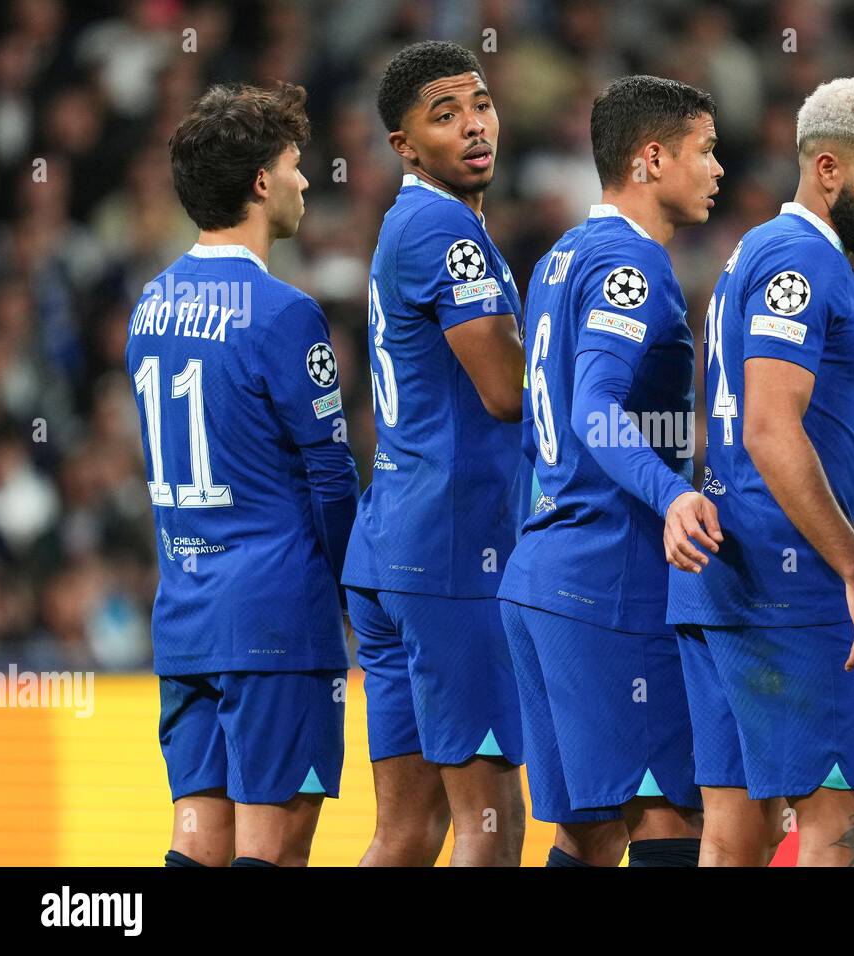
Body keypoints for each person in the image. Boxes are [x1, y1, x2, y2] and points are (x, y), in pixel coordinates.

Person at [667, 75, 854, 866]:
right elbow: (773, 431)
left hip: (727, 576)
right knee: (844, 827)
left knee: (736, 838)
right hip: (788, 581)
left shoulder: (755, 251)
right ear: (828, 170)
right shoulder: (799, 261)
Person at [128, 82, 359, 867]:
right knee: (272, 855)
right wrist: (349, 588)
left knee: (198, 842)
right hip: (275, 618)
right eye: (295, 165)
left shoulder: (148, 307)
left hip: (186, 613)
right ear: (261, 182)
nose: (303, 181)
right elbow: (332, 477)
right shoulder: (283, 312)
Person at [498, 75, 724, 867]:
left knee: (589, 835)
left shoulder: (559, 258)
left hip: (540, 576)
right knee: (668, 816)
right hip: (611, 579)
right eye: (705, 151)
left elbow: (544, 423)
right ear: (652, 159)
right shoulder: (636, 266)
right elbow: (595, 406)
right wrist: (672, 495)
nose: (718, 169)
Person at [341, 41, 527, 867]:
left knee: (409, 831)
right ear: (404, 146)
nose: (474, 127)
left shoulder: (409, 224)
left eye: (480, 105)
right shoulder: (447, 230)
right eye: (445, 116)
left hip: (393, 550)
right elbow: (508, 391)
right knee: (492, 825)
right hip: (454, 554)